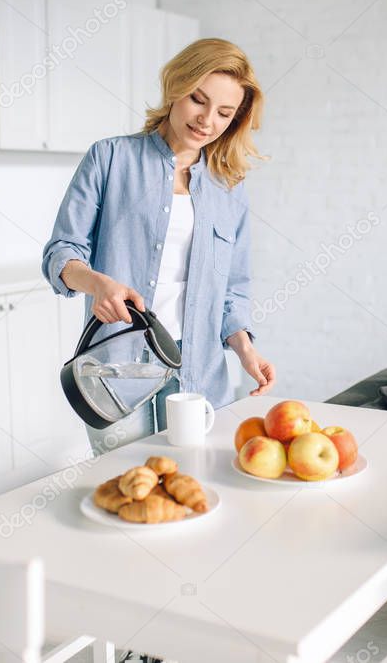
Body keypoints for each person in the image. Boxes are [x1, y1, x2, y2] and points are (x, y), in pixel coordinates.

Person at [42, 37, 277, 453]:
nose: (207, 120)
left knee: (197, 488)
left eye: (224, 112)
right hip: (117, 368)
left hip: (201, 374)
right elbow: (61, 251)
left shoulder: (228, 187)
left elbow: (233, 290)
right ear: (175, 87)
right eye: (197, 100)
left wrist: (244, 348)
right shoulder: (110, 158)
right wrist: (97, 283)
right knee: (127, 490)